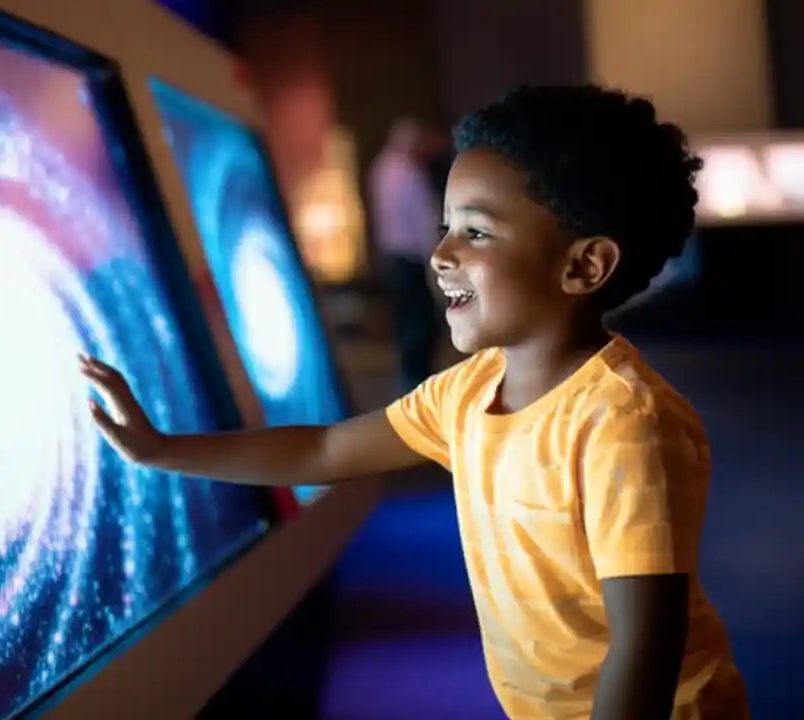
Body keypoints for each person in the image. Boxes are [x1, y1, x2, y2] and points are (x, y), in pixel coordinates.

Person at [80, 85, 749, 719]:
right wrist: (162, 449)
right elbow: (323, 448)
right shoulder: (468, 391)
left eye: (476, 233)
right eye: (445, 226)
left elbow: (646, 643)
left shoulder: (624, 426)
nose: (440, 255)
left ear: (583, 266)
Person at [370, 116, 447, 395]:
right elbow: (423, 221)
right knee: (419, 326)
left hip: (393, 257)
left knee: (409, 324)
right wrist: (435, 257)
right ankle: (416, 388)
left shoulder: (382, 168)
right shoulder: (408, 173)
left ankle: (411, 385)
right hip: (411, 260)